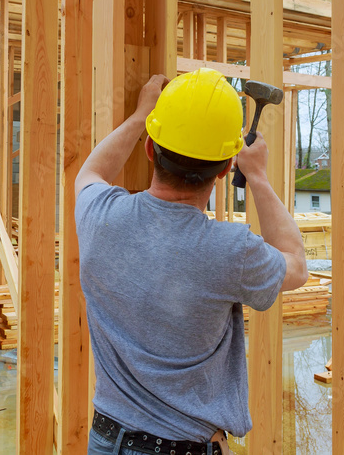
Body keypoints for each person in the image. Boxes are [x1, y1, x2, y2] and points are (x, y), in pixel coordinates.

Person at [75, 68, 308, 455]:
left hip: (105, 440)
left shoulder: (100, 215)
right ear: (225, 168)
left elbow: (91, 171)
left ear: (150, 148)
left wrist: (139, 117)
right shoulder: (231, 250)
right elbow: (296, 265)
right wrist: (260, 176)